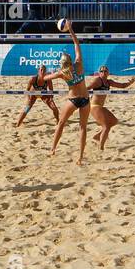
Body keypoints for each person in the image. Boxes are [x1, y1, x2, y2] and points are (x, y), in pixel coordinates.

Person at [45, 24, 91, 164]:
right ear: (70, 60)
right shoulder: (79, 64)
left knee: (61, 123)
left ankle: (53, 149)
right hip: (85, 99)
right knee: (83, 128)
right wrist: (70, 29)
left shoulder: (62, 73)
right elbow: (76, 43)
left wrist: (44, 74)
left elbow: (45, 79)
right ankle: (80, 157)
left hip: (73, 100)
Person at [88, 66, 135, 151]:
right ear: (99, 73)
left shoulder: (109, 82)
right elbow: (86, 88)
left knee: (114, 121)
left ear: (108, 73)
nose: (103, 72)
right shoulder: (97, 80)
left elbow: (122, 86)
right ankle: (101, 147)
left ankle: (98, 136)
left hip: (100, 106)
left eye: (105, 71)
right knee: (106, 126)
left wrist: (130, 82)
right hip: (94, 106)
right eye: (101, 71)